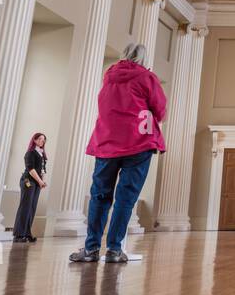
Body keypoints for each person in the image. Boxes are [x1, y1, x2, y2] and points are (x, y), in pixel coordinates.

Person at [68, 42, 167, 264]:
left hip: (107, 142)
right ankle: (113, 249)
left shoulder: (109, 76)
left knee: (100, 196)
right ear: (142, 58)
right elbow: (160, 109)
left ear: (124, 56)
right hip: (138, 143)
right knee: (125, 198)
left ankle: (91, 248)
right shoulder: (147, 78)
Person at [13, 132, 48, 243]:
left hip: (37, 183)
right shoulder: (30, 153)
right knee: (25, 206)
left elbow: (42, 170)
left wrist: (42, 181)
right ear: (35, 140)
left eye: (44, 140)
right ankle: (18, 235)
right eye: (41, 139)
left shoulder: (42, 154)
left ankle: (27, 233)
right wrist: (40, 181)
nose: (43, 141)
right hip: (28, 181)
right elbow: (31, 169)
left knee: (32, 207)